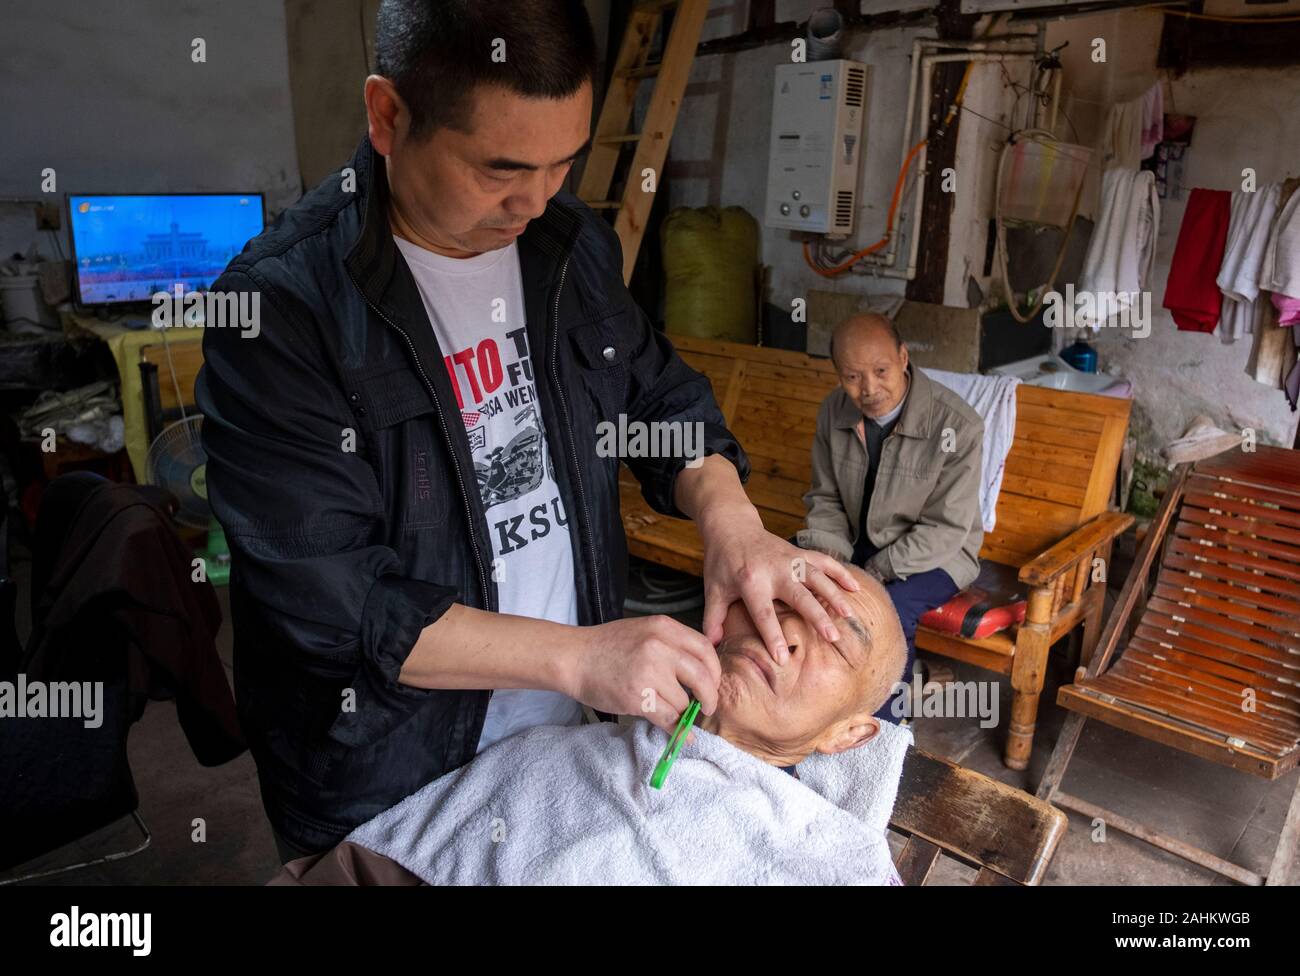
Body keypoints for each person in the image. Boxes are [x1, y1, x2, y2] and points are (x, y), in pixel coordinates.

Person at [196, 0, 860, 861]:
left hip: (561, 735)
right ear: (388, 116)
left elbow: (659, 400)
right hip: (387, 771)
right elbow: (335, 605)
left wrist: (734, 528)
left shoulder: (566, 242)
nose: (535, 199)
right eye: (500, 168)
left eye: (562, 163)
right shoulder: (281, 313)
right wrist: (580, 658)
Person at [276, 564, 912, 885]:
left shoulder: (828, 857)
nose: (782, 635)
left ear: (850, 734)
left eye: (837, 643)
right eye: (779, 605)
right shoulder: (551, 758)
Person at [799, 313, 984, 719]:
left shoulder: (958, 426)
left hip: (939, 556)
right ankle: (821, 710)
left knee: (888, 610)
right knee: (804, 589)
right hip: (860, 545)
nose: (868, 389)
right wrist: (831, 562)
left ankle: (884, 728)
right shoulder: (834, 412)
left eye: (880, 371)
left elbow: (945, 528)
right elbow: (826, 498)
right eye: (851, 377)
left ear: (903, 358)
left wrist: (873, 570)